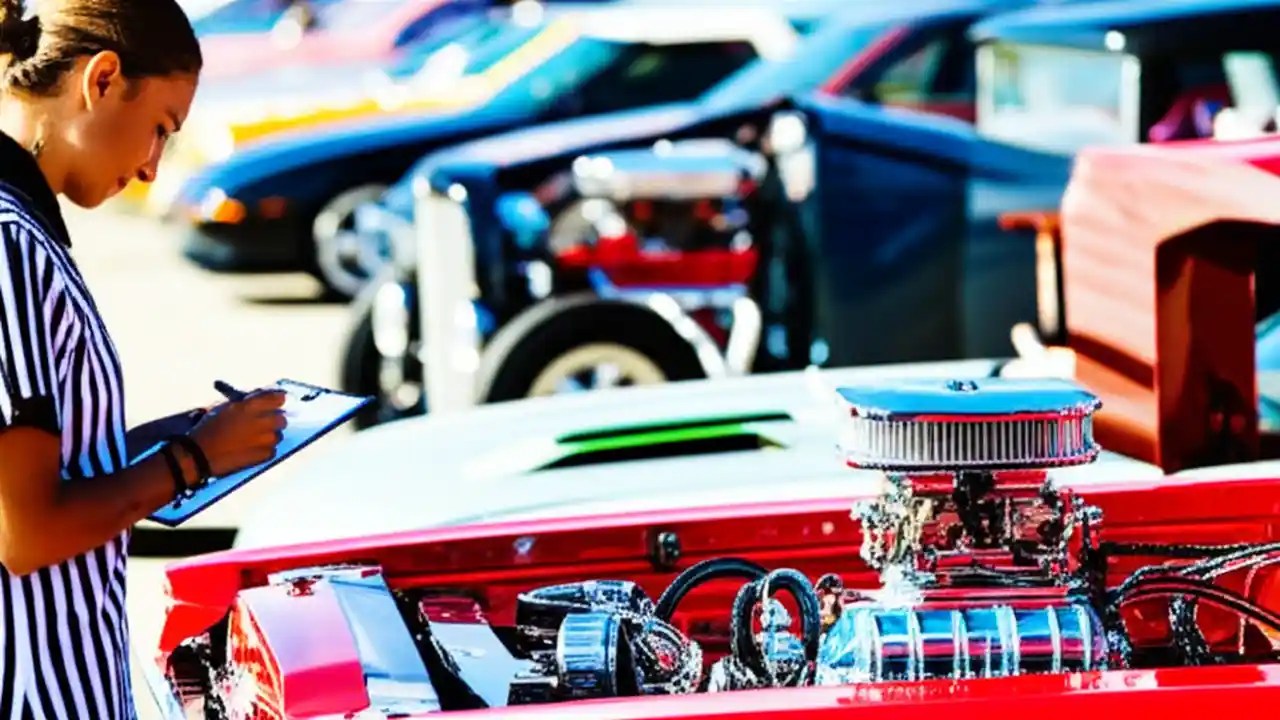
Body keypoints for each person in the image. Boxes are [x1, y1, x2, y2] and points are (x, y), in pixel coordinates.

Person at [0, 0, 289, 717]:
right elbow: (24, 532)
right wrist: (191, 460)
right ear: (101, 80)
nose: (154, 168)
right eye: (160, 128)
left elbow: (46, 473)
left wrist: (174, 441)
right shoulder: (9, 243)